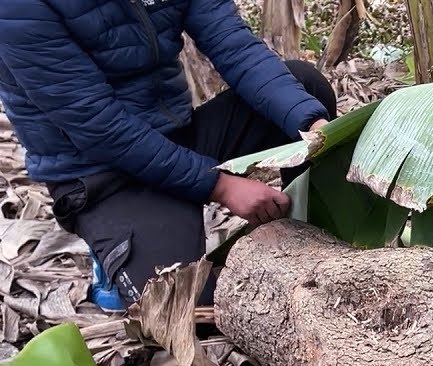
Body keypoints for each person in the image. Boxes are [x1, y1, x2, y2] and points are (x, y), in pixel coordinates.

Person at [0, 0, 339, 308]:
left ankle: (318, 241)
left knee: (304, 90)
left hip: (179, 135)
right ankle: (117, 252)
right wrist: (219, 185)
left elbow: (235, 48)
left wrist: (316, 126)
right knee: (191, 306)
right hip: (101, 173)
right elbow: (96, 123)